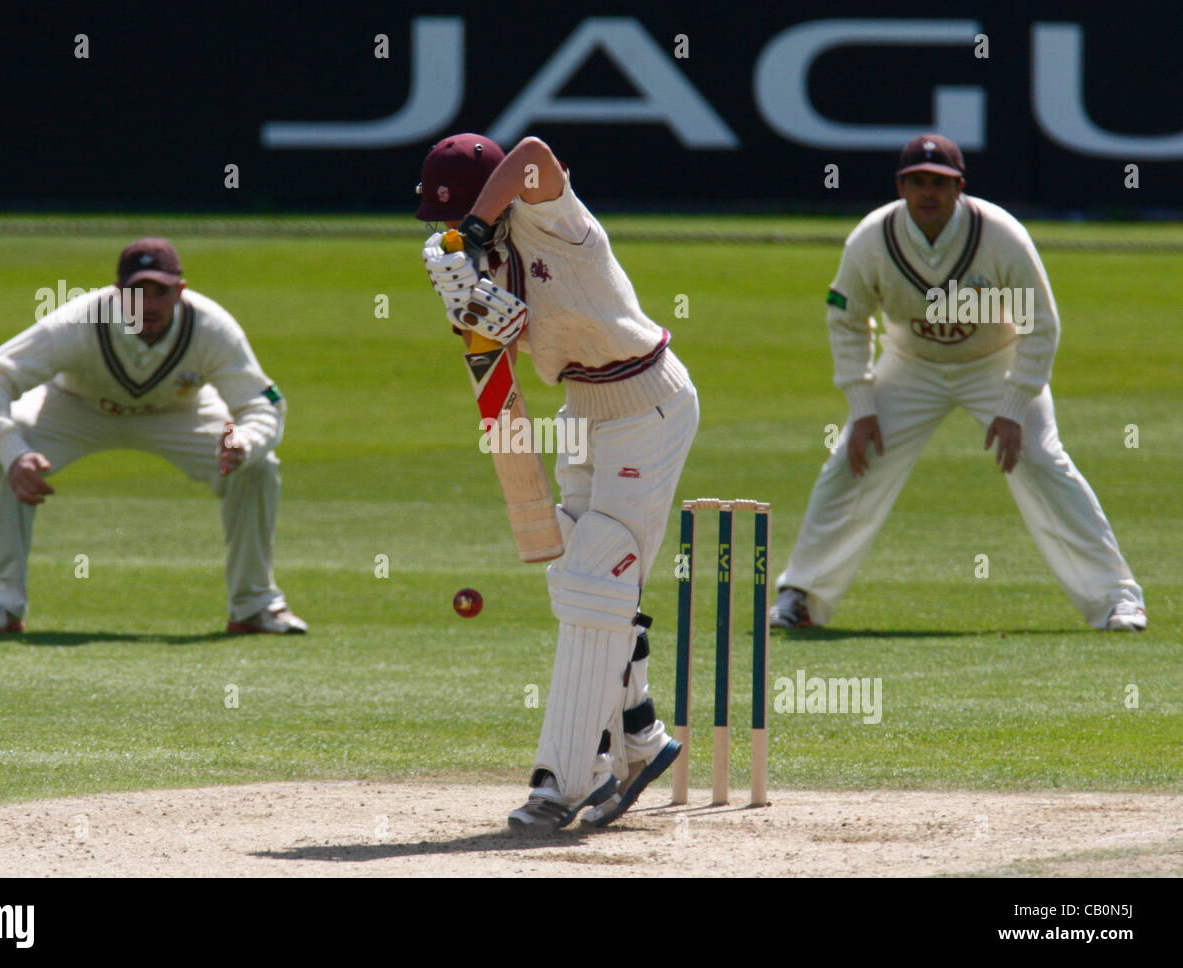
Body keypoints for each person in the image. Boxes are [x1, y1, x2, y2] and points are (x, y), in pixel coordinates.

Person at [415, 134, 700, 828]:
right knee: (580, 576)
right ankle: (637, 736)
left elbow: (534, 152)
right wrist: (470, 310)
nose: (445, 234)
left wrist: (474, 228)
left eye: (454, 221)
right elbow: (504, 353)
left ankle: (564, 783)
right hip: (581, 408)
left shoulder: (554, 214)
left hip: (646, 401)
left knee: (600, 577)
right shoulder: (482, 259)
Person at [770, 135, 1146, 632]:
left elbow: (1041, 324)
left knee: (1040, 459)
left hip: (996, 360)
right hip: (911, 364)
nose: (928, 193)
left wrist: (1013, 407)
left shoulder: (1001, 235)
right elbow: (846, 318)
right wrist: (861, 406)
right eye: (918, 182)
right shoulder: (871, 238)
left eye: (940, 184)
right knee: (851, 460)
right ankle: (802, 595)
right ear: (901, 186)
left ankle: (1116, 600)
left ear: (959, 187)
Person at [0, 238, 306, 635]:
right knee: (6, 453)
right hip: (77, 407)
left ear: (180, 291)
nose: (149, 305)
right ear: (117, 293)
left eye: (160, 292)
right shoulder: (78, 322)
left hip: (180, 411)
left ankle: (255, 606)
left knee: (258, 468)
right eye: (137, 292)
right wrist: (14, 452)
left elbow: (263, 404)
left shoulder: (213, 328)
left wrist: (245, 443)